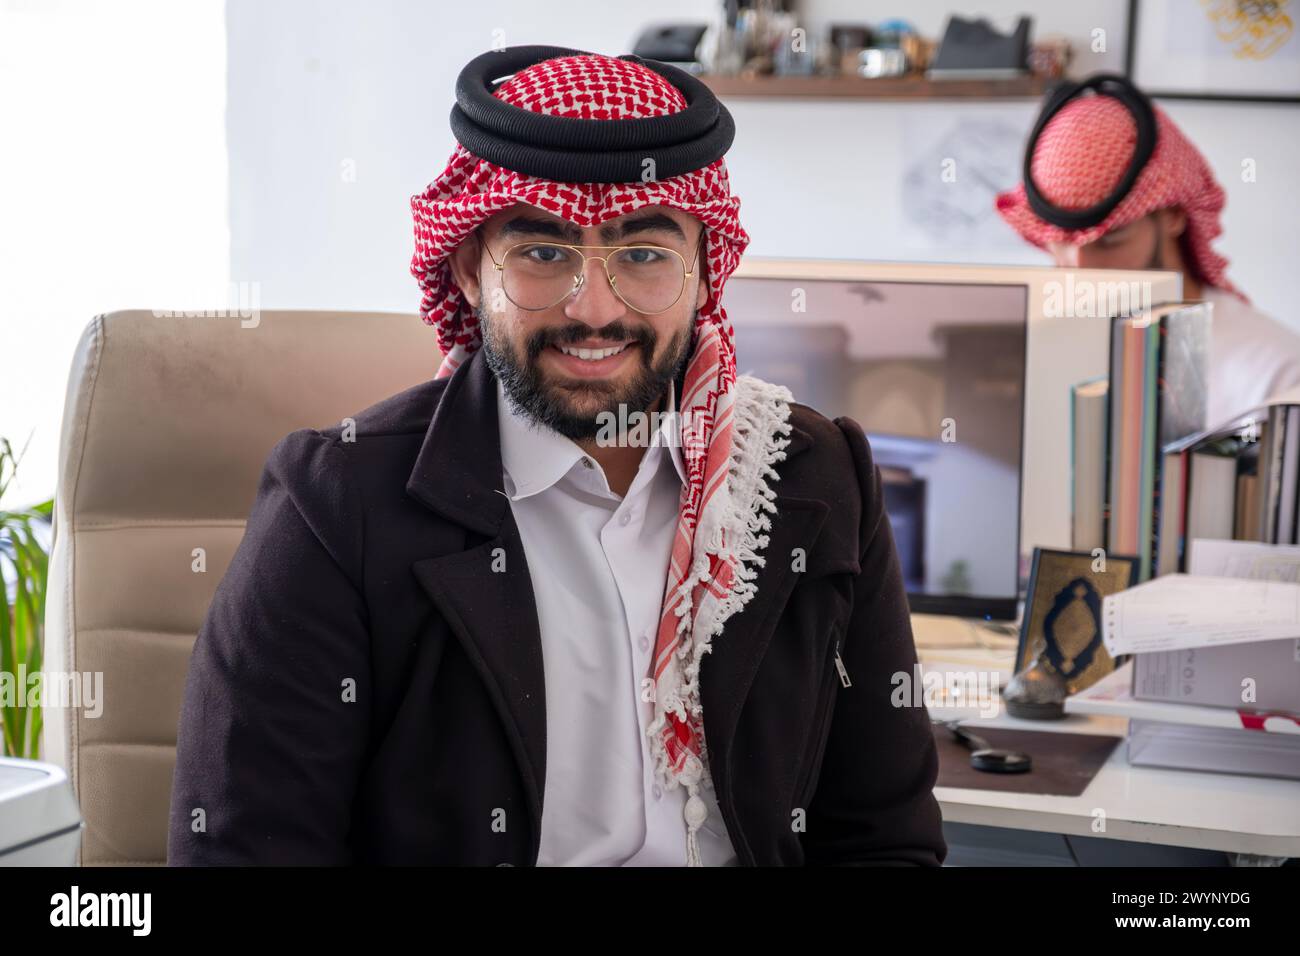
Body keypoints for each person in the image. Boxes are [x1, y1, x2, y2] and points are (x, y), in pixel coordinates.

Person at [167, 45, 946, 867]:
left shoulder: (814, 478)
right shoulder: (336, 507)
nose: (594, 308)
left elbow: (883, 838)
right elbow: (243, 853)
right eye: (542, 252)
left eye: (644, 254)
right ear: (470, 268)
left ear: (702, 269)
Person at [997, 74, 1300, 427]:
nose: (1081, 271)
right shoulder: (1038, 352)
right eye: (1062, 242)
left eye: (1110, 240)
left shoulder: (1276, 375)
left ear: (1172, 214)